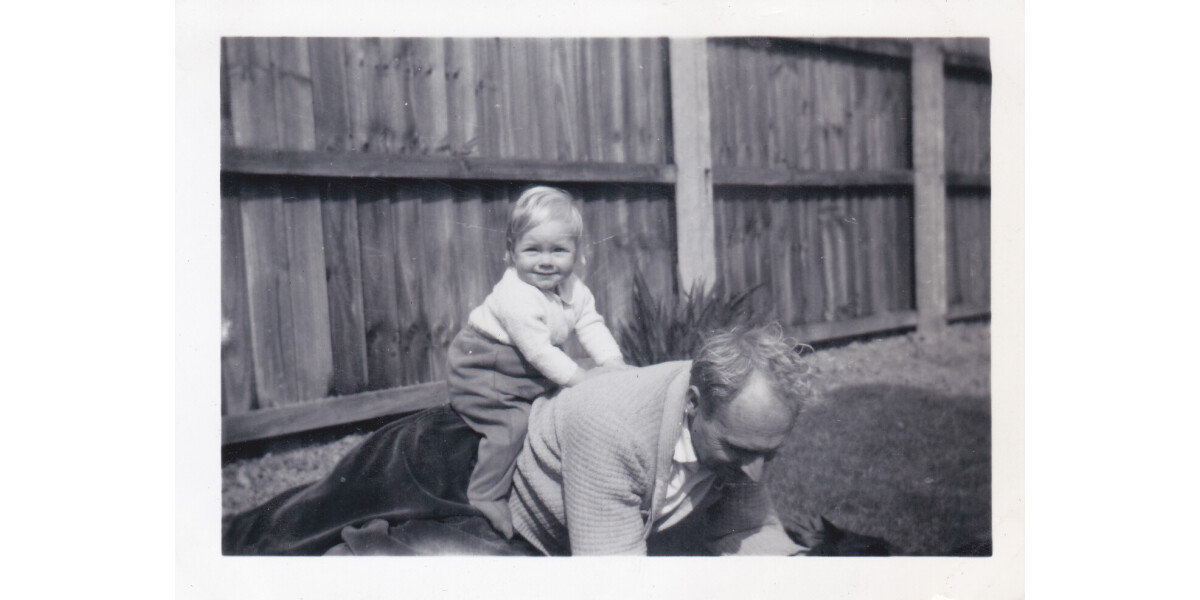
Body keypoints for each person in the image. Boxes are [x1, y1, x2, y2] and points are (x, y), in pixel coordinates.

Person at [509, 323, 816, 555]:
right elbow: (613, 580)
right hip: (525, 544)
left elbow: (748, 528)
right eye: (738, 449)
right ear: (693, 403)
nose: (755, 473)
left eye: (770, 454)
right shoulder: (610, 426)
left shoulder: (739, 433)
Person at [446, 185, 626, 538]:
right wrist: (582, 379)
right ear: (511, 253)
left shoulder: (575, 290)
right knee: (514, 424)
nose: (546, 261)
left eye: (559, 250)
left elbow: (590, 324)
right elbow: (539, 352)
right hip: (484, 366)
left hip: (521, 369)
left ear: (578, 253)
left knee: (551, 408)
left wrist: (613, 364)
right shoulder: (516, 295)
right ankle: (485, 494)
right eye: (532, 250)